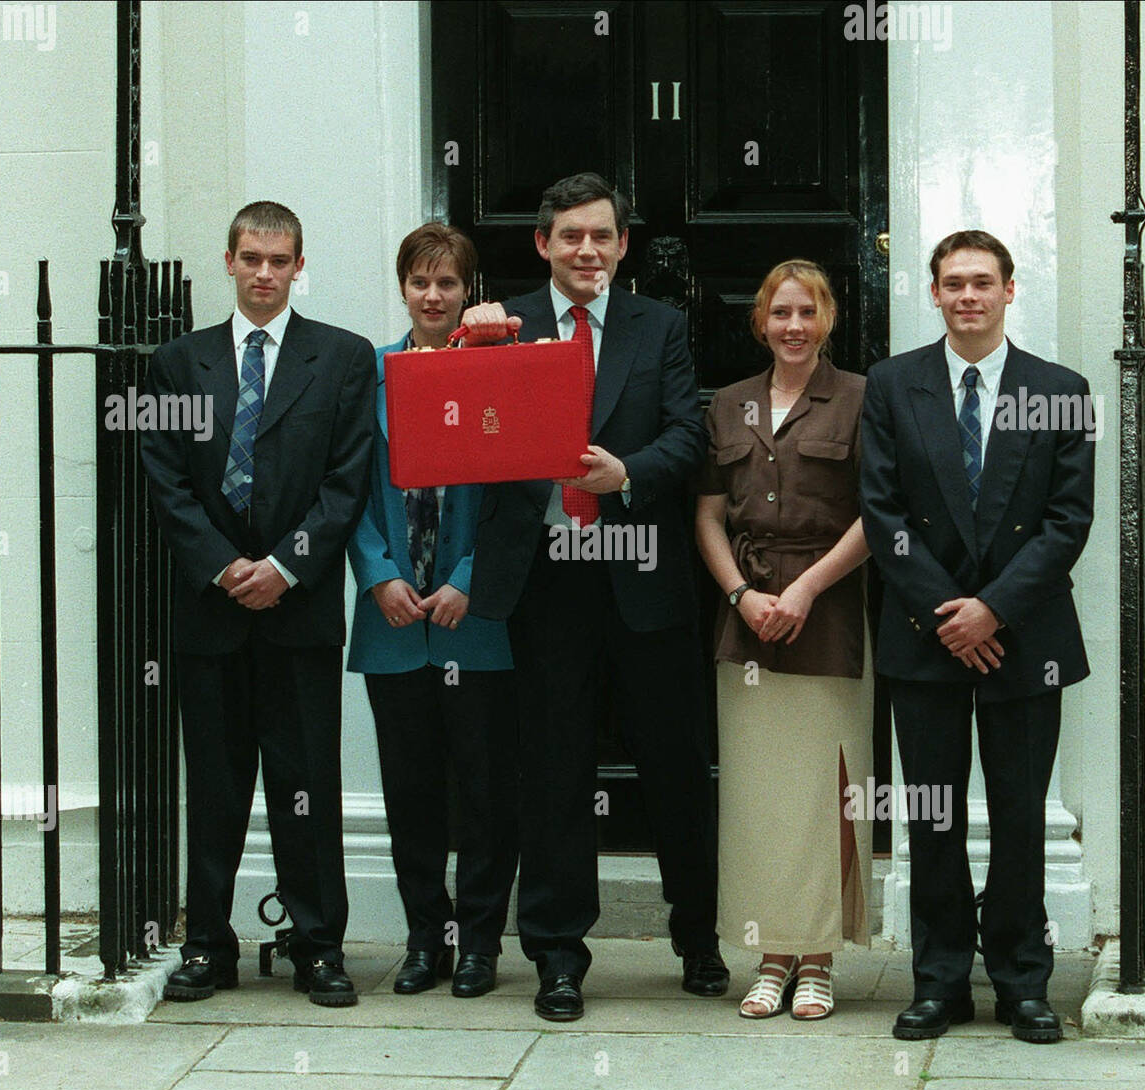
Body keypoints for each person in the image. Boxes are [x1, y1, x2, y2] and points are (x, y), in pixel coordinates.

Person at [460, 172, 726, 1021]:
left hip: (643, 567)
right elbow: (457, 423)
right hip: (547, 578)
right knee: (554, 770)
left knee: (677, 767)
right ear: (543, 244)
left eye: (602, 236)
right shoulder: (501, 326)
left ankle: (699, 936)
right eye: (570, 235)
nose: (587, 250)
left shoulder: (663, 326)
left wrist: (630, 473)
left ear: (620, 245)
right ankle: (557, 953)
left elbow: (690, 432)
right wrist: (465, 350)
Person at [859, 229, 1095, 1043]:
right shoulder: (893, 385)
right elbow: (883, 514)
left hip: (1026, 636)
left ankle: (1024, 982)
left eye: (982, 283)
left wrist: (992, 609)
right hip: (924, 636)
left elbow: (1068, 523)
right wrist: (947, 615)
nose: (967, 296)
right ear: (933, 293)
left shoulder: (1059, 388)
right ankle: (940, 981)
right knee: (932, 817)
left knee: (1023, 815)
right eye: (953, 282)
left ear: (1008, 290)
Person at [140, 201, 375, 1006]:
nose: (265, 273)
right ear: (229, 261)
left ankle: (317, 944)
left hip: (298, 611)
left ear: (299, 264)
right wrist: (221, 565)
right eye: (252, 258)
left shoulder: (341, 359)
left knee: (305, 781)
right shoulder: (178, 362)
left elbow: (347, 483)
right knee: (214, 783)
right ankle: (207, 943)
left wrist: (284, 565)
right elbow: (165, 478)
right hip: (211, 613)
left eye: (280, 260)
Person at [695, 260, 873, 1020]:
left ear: (828, 318)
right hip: (747, 617)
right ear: (760, 321)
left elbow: (878, 514)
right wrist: (742, 592)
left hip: (829, 612)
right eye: (780, 313)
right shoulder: (728, 405)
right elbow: (706, 514)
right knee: (760, 793)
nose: (794, 326)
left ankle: (820, 957)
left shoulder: (863, 398)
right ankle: (770, 956)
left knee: (828, 791)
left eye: (808, 311)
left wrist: (804, 589)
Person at [347, 223, 517, 999]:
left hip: (470, 617)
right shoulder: (368, 374)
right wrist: (377, 575)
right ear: (403, 287)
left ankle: (479, 942)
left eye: (448, 282)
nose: (433, 295)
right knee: (411, 792)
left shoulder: (496, 371)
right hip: (393, 619)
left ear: (467, 292)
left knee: (484, 789)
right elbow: (344, 489)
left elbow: (521, 491)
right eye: (420, 281)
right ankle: (426, 939)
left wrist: (470, 579)